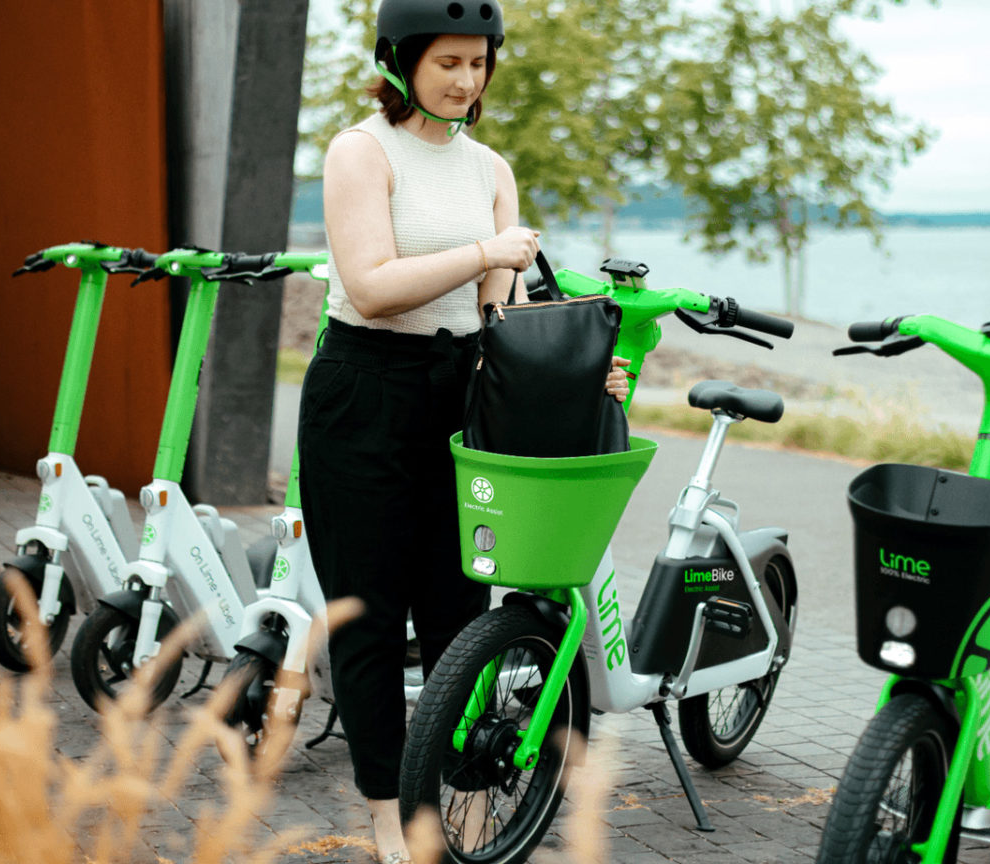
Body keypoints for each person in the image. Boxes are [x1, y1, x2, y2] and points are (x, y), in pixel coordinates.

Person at [298, 1, 627, 861]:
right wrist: (486, 253)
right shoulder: (360, 151)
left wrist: (583, 373)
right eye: (448, 62)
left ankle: (469, 797)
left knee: (460, 608)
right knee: (367, 617)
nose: (467, 80)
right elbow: (370, 286)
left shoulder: (490, 169)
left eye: (479, 63)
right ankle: (387, 810)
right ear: (400, 60)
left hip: (463, 394)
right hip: (363, 392)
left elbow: (501, 321)